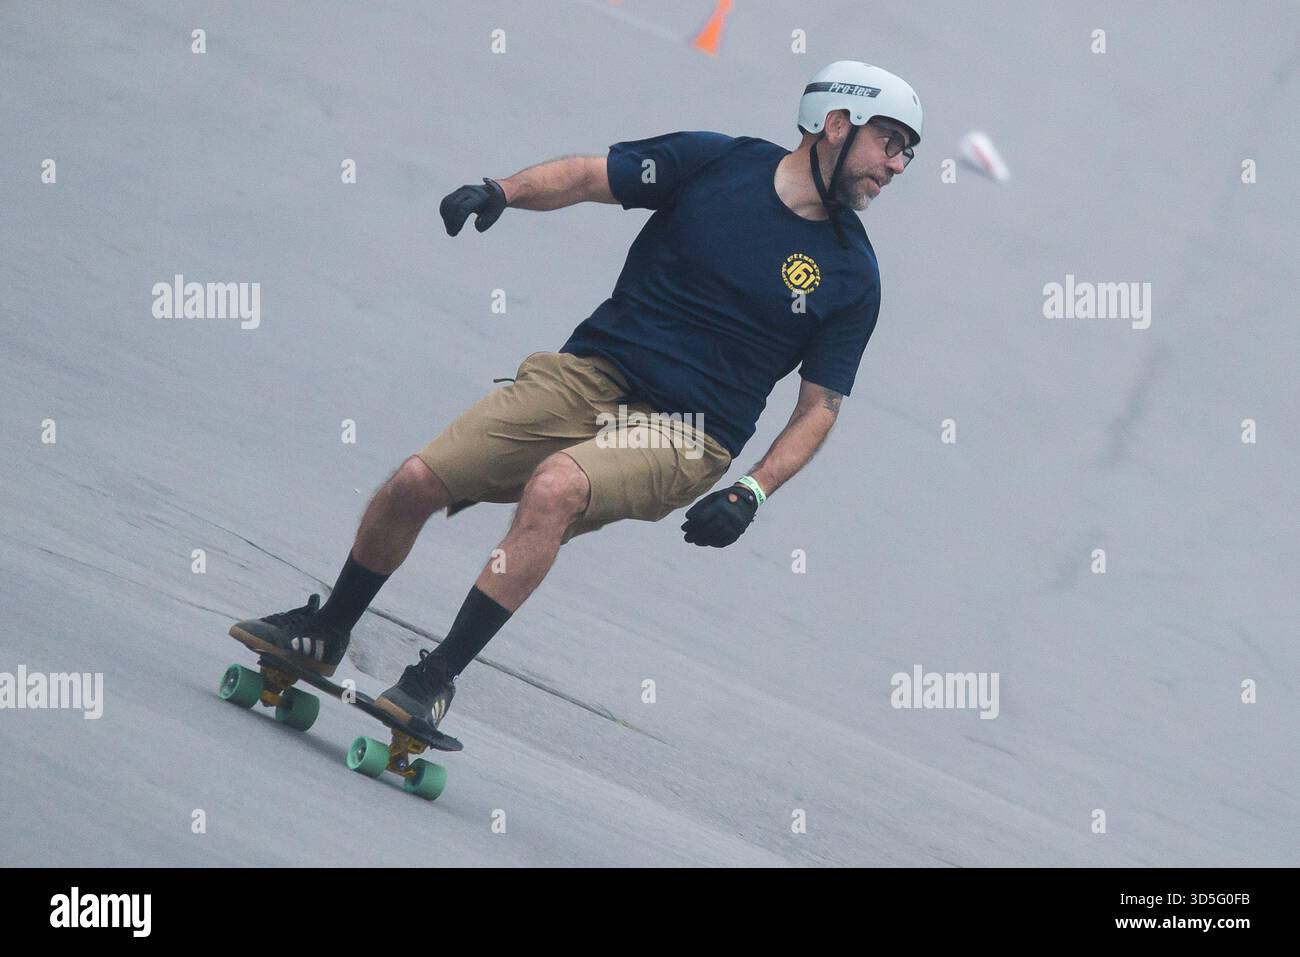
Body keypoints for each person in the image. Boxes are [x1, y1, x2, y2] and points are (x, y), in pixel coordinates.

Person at [229, 60, 923, 740]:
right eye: (890, 142)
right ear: (835, 123)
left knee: (555, 487)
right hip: (589, 375)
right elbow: (591, 177)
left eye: (907, 154)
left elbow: (819, 407)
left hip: (688, 432)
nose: (896, 166)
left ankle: (433, 679)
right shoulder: (718, 164)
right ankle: (324, 631)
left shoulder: (851, 273)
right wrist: (501, 191)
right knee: (415, 480)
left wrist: (752, 491)